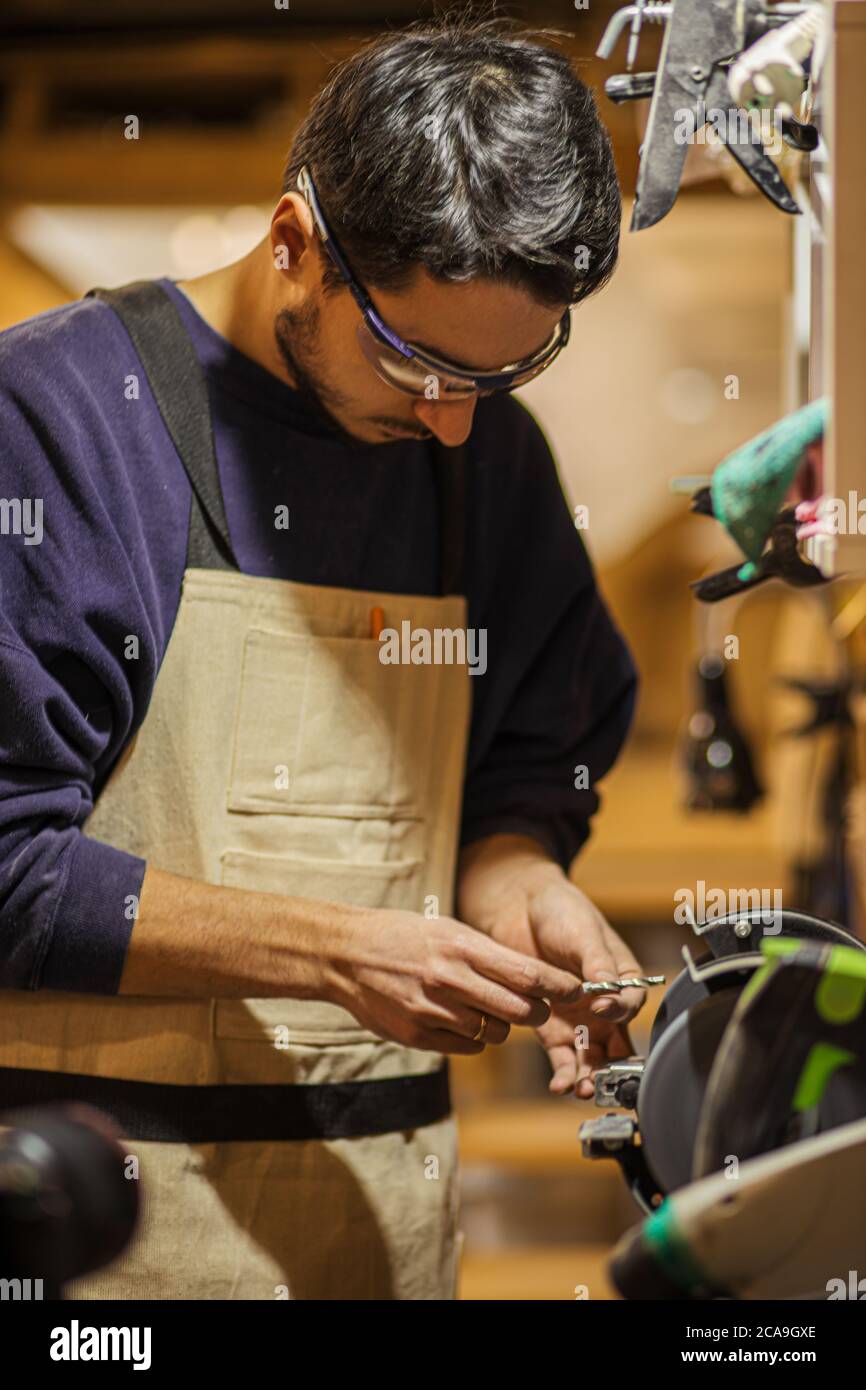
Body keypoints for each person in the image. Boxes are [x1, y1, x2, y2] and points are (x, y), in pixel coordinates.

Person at [0, 16, 642, 1299]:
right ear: (294, 242)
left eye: (504, 368)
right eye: (412, 359)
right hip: (86, 1254)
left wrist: (513, 870)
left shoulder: (485, 451)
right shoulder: (57, 422)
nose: (451, 424)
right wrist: (335, 949)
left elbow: (531, 750)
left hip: (377, 1247)